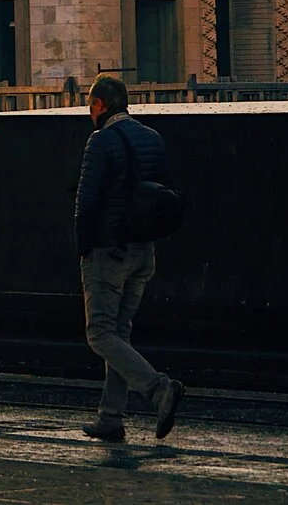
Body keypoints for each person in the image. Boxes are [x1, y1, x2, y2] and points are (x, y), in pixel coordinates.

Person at [75, 76, 185, 442]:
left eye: (90, 105)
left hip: (109, 252)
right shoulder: (152, 138)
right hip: (143, 252)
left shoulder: (101, 141)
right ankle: (110, 417)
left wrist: (83, 248)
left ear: (100, 105)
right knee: (119, 333)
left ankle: (159, 389)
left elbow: (87, 201)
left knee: (99, 333)